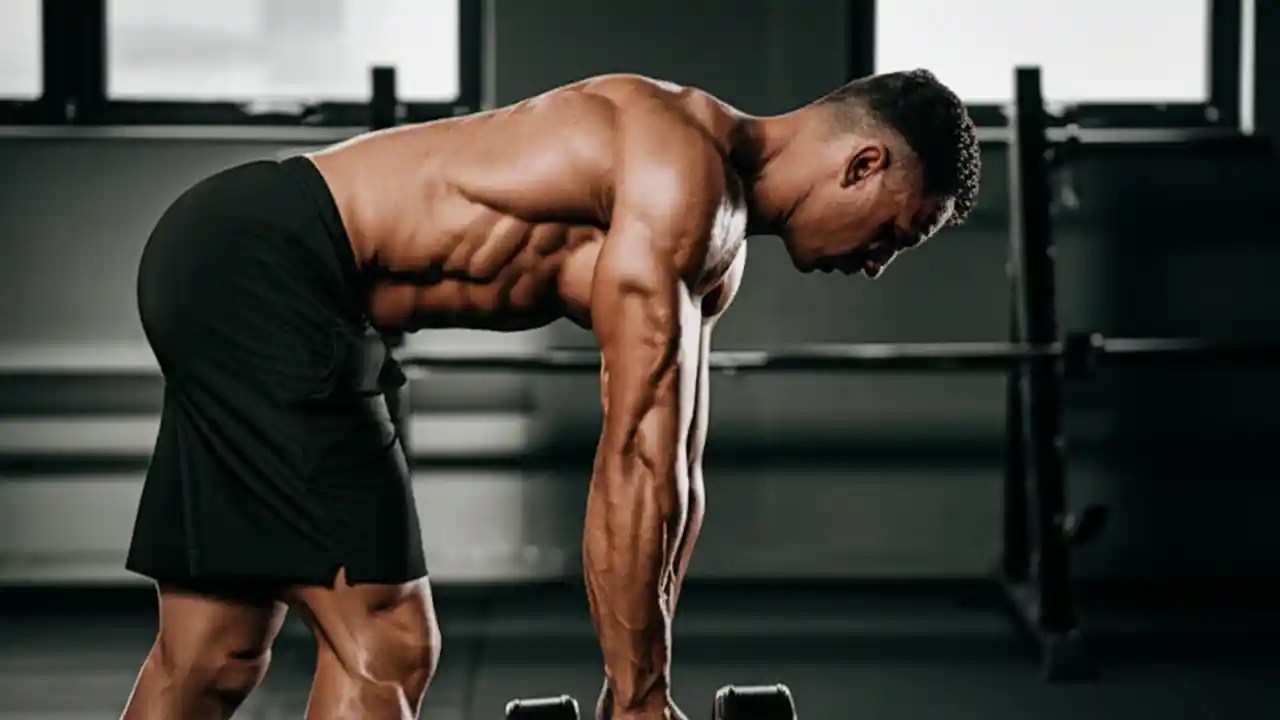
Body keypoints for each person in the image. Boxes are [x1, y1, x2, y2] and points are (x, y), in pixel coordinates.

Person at [122, 68, 979, 720]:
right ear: (863, 164)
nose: (876, 264)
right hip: (275, 267)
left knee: (214, 651)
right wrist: (642, 699)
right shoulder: (683, 176)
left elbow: (677, 473)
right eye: (894, 234)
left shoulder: (713, 247)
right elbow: (635, 452)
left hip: (232, 253)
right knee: (386, 641)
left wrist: (635, 682)